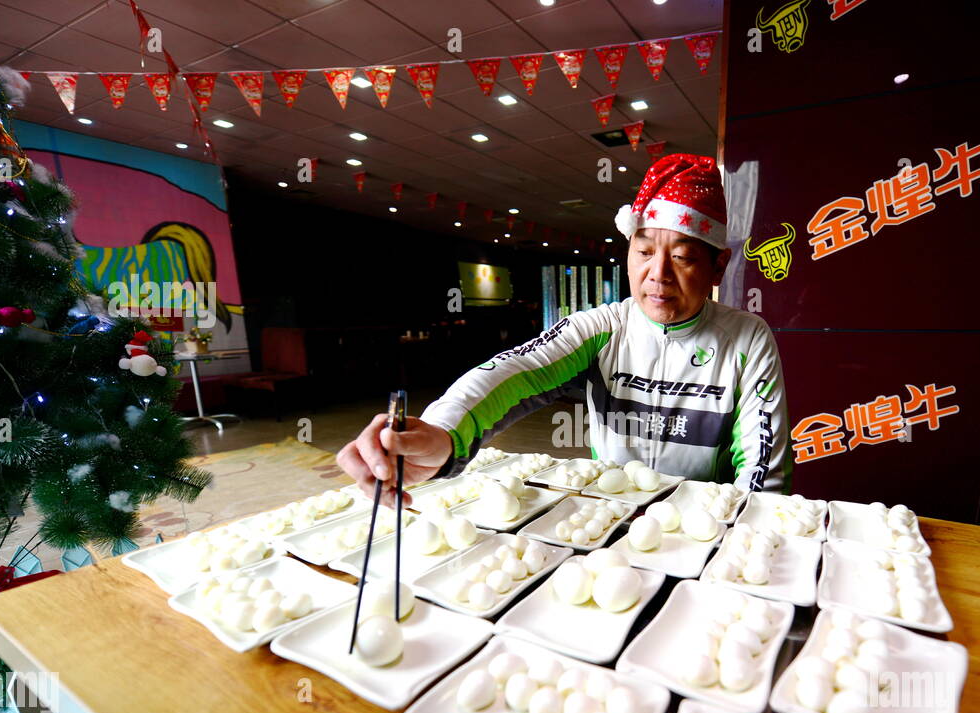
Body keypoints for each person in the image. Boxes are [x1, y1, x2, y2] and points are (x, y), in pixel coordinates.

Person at [339, 153, 792, 503]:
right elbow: (514, 370)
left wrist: (740, 549)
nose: (658, 274)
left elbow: (762, 471)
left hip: (709, 531)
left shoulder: (747, 340)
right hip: (614, 519)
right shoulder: (603, 327)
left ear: (718, 266)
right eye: (644, 251)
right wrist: (441, 433)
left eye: (683, 256)